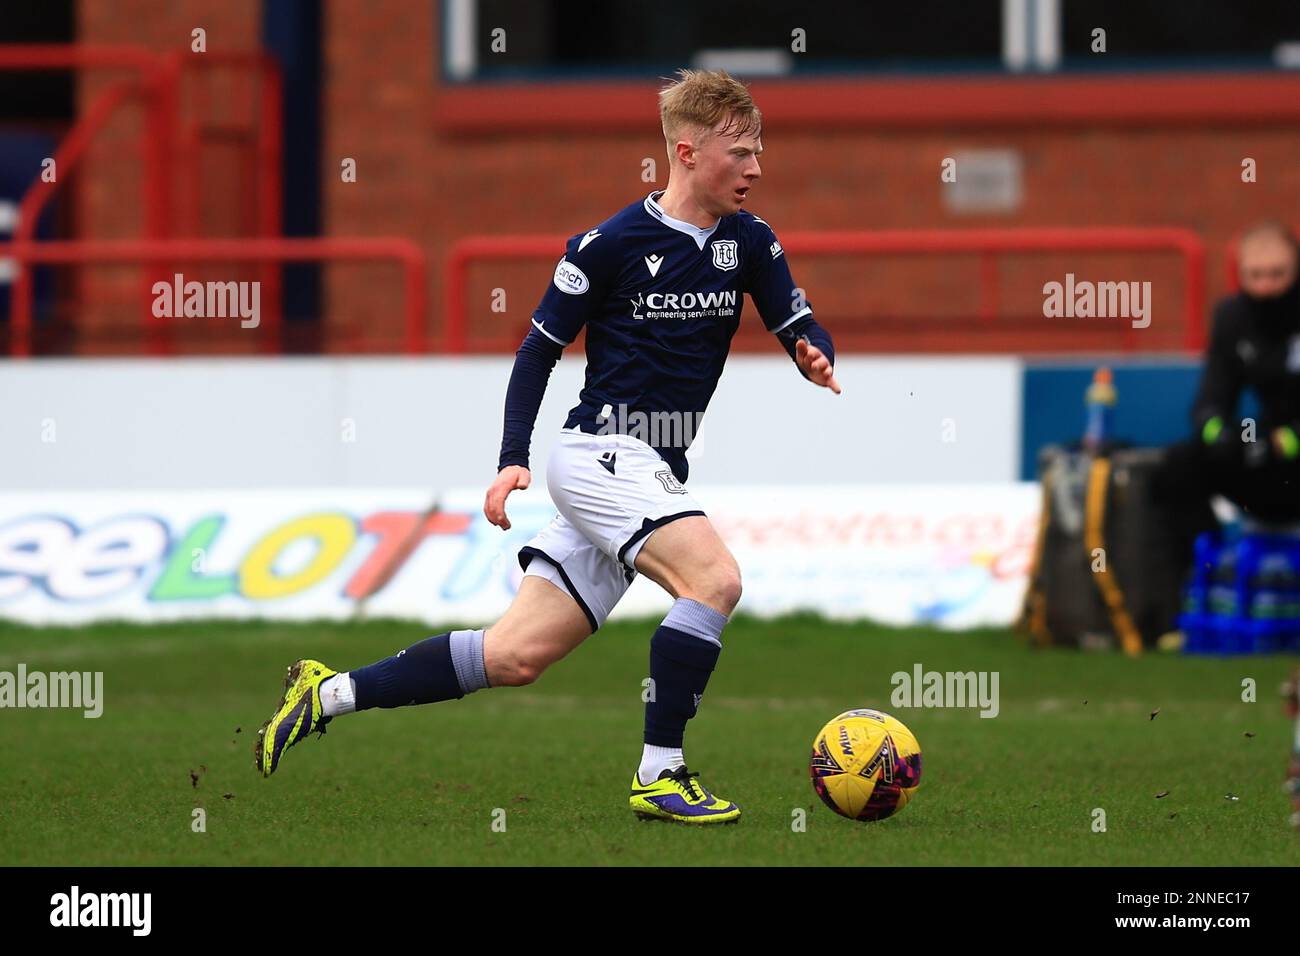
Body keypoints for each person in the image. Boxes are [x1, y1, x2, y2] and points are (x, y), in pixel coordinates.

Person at [253, 69, 840, 825]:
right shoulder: (609, 245)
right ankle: (661, 773)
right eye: (741, 154)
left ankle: (326, 693)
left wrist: (810, 351)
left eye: (760, 152)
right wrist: (510, 457)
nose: (756, 169)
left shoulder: (751, 242)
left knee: (514, 657)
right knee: (715, 581)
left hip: (651, 466)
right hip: (601, 453)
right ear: (687, 153)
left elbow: (795, 316)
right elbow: (537, 353)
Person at [1153, 220, 1300, 568]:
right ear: (1242, 275)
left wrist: (1289, 440)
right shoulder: (1232, 317)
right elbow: (1211, 400)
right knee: (1178, 467)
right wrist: (1219, 434)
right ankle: (1206, 582)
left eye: (1278, 274)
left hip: (1291, 450)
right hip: (1267, 458)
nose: (1266, 287)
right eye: (1256, 275)